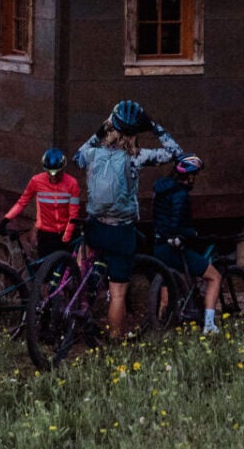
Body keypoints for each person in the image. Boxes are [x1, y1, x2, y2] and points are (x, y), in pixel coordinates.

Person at [76, 100, 181, 344]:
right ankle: (113, 341)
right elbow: (175, 153)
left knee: (81, 261)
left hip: (95, 225)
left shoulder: (93, 153)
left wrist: (99, 132)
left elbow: (76, 158)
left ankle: (73, 298)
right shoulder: (136, 157)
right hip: (121, 231)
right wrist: (154, 127)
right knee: (118, 293)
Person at [148, 154, 223, 334]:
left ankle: (161, 328)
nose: (194, 179)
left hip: (158, 246)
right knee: (215, 277)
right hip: (173, 247)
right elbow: (177, 226)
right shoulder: (180, 194)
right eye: (194, 175)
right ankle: (210, 325)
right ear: (188, 175)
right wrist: (191, 233)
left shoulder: (160, 190)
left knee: (166, 289)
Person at [0, 147, 83, 261]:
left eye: (57, 173)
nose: (53, 176)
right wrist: (6, 219)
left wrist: (66, 237)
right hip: (47, 234)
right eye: (50, 173)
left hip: (66, 232)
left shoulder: (72, 184)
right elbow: (22, 202)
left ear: (63, 170)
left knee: (65, 270)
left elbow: (73, 213)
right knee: (45, 270)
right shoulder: (36, 181)